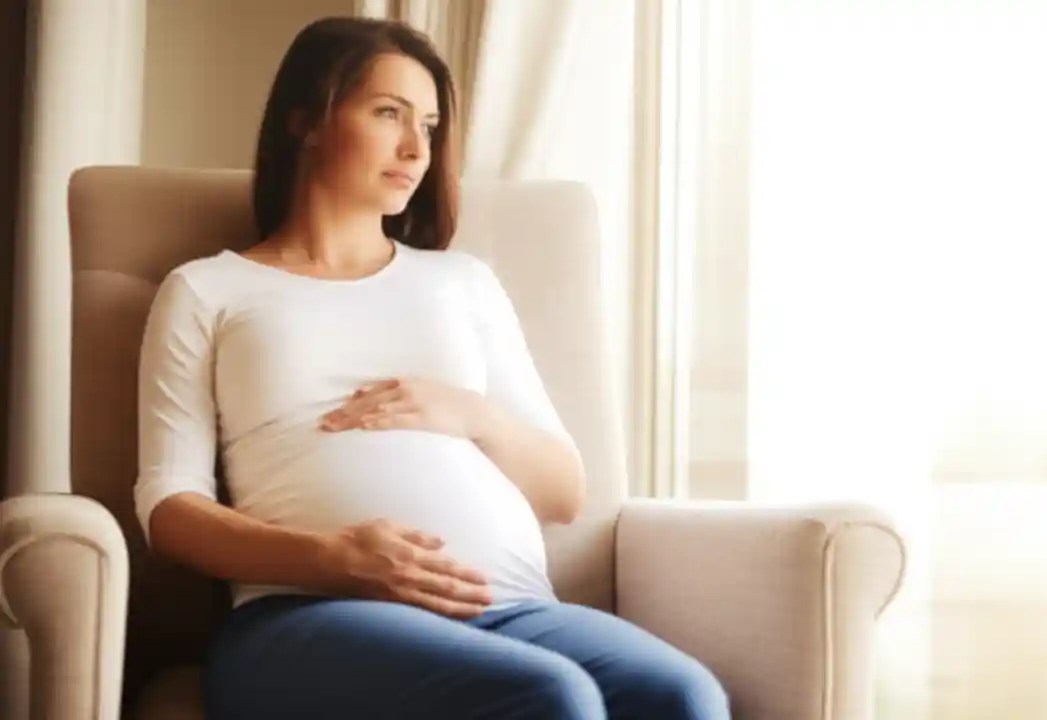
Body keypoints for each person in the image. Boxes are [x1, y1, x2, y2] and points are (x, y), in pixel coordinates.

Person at [134, 16, 729, 720]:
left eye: (430, 123)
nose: (417, 148)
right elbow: (168, 509)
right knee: (550, 697)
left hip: (510, 611)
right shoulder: (209, 290)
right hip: (307, 615)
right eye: (388, 113)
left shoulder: (463, 282)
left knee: (684, 697)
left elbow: (565, 491)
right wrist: (333, 558)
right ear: (306, 120)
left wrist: (469, 414)